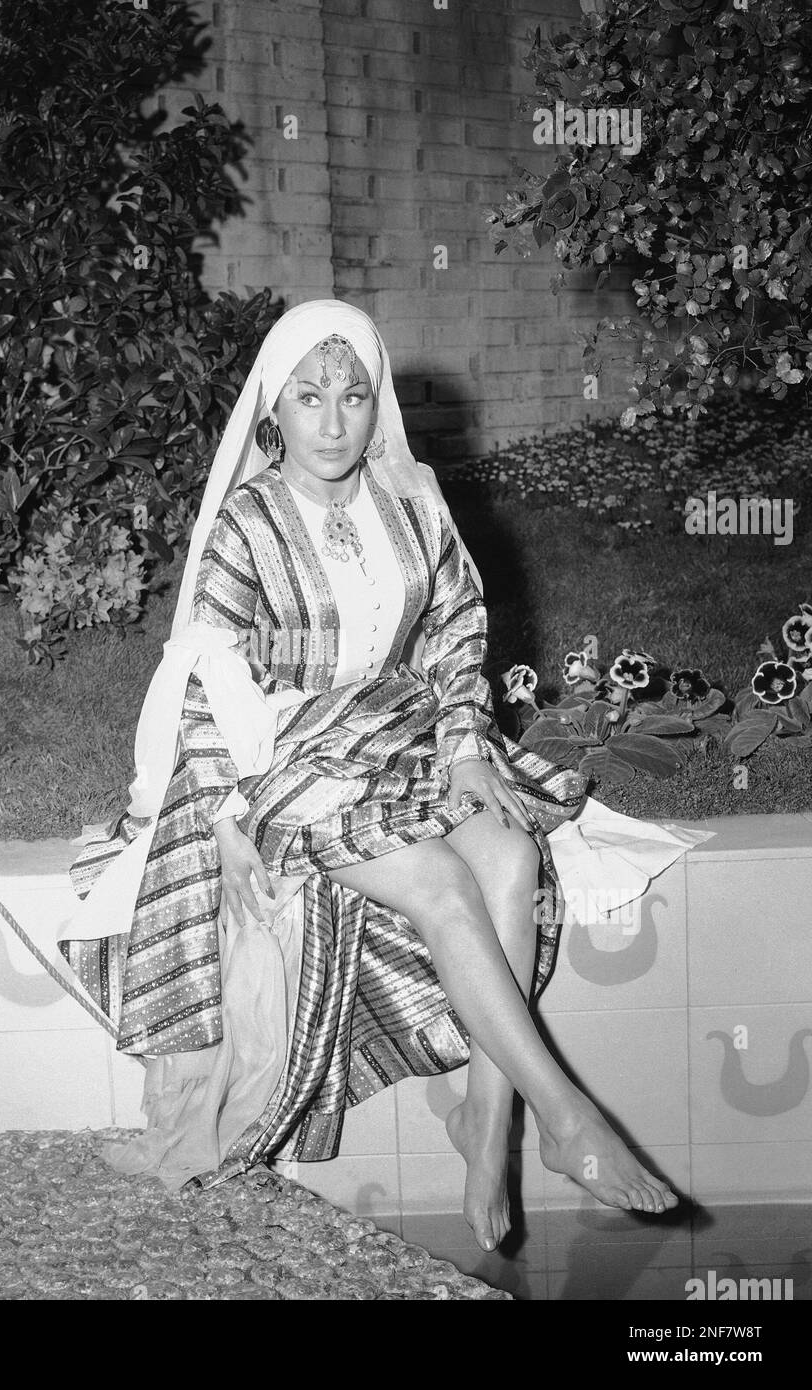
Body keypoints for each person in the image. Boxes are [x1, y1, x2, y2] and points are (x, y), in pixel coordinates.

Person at [59, 299, 680, 1254]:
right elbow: (205, 675)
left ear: (375, 401)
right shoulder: (249, 520)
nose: (335, 418)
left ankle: (489, 1119)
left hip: (406, 733)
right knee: (438, 883)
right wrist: (226, 818)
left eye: (353, 394)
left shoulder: (413, 500)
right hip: (280, 755)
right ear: (276, 410)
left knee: (510, 855)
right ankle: (567, 1118)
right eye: (310, 397)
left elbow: (457, 634)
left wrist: (469, 745)